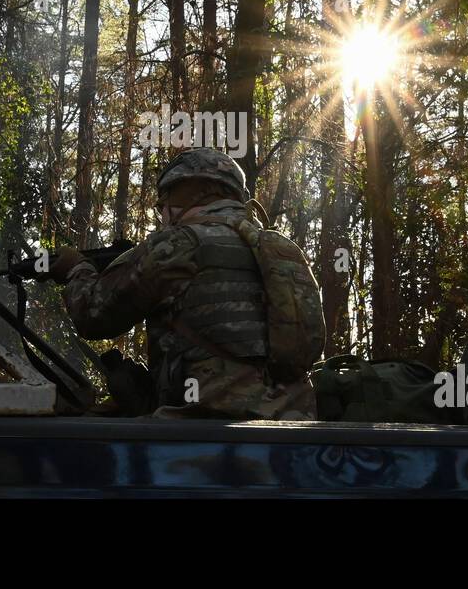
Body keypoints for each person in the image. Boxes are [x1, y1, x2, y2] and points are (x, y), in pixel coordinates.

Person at [50, 148, 318, 419]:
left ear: (181, 196)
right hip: (291, 427)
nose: (162, 215)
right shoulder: (283, 249)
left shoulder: (178, 244)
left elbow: (94, 316)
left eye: (162, 205)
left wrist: (76, 269)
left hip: (202, 430)